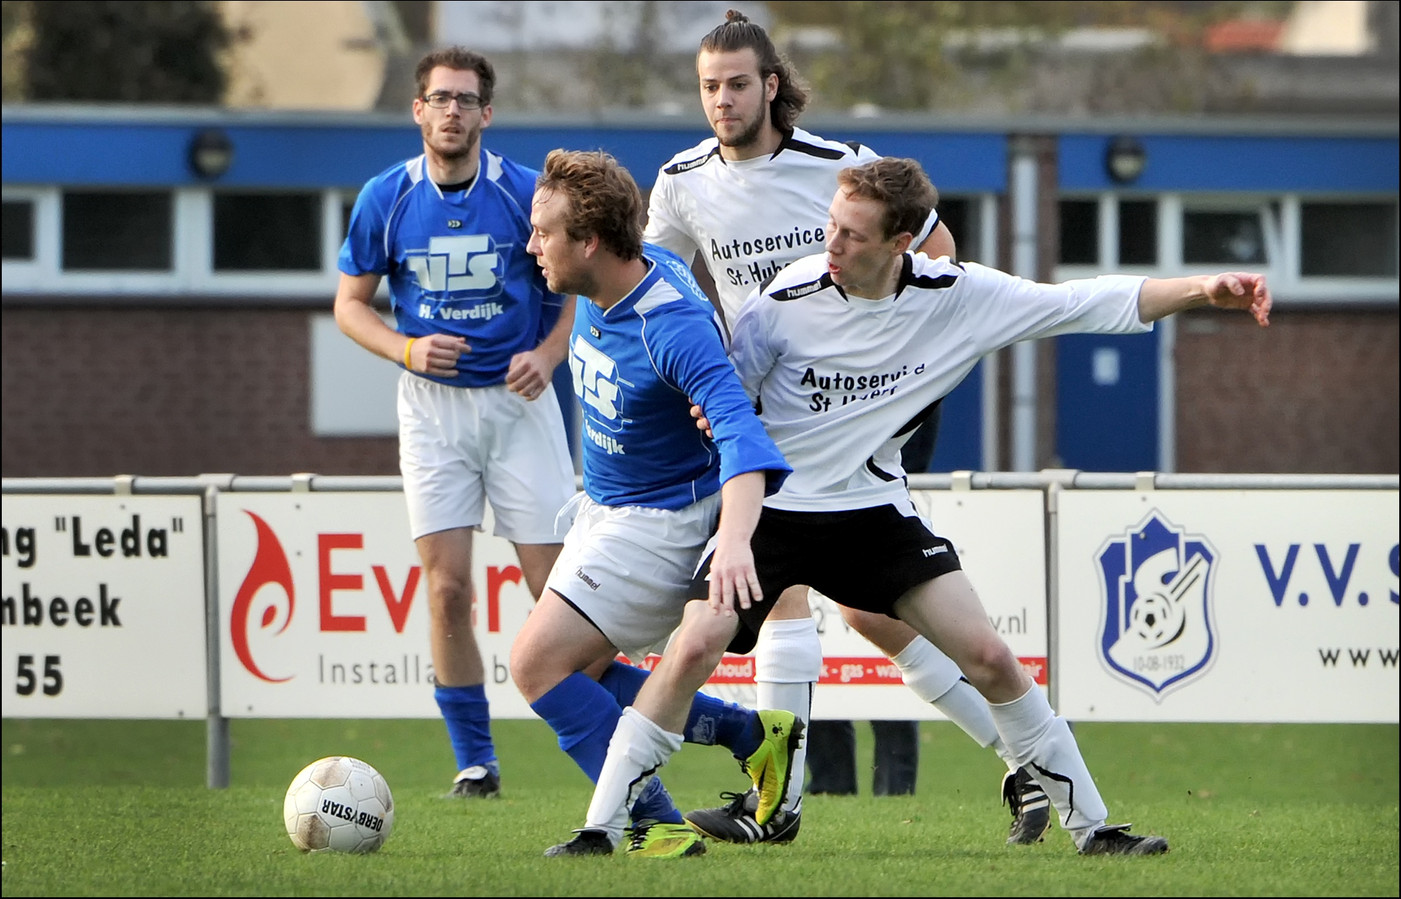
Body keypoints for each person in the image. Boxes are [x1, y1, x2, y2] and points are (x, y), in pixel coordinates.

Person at [556, 155, 1272, 858]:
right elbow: (725, 401)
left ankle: (1094, 827)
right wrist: (711, 420)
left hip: (871, 512)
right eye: (829, 226)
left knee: (991, 655)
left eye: (850, 235)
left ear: (901, 243)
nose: (828, 244)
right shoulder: (783, 301)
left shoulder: (957, 295)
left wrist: (1206, 290)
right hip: (777, 509)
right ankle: (603, 827)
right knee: (690, 648)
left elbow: (1082, 302)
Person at [643, 8, 1048, 844]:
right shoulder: (681, 180)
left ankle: (776, 802)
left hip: (866, 398)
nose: (721, 100)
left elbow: (938, 254)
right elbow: (656, 282)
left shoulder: (840, 165)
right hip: (765, 397)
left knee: (783, 586)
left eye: (736, 84)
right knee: (869, 613)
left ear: (772, 85)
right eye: (708, 86)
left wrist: (898, 365)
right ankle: (1023, 768)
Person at [510, 148, 801, 859]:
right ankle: (748, 735)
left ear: (589, 242)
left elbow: (742, 437)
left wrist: (733, 541)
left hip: (660, 525)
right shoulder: (608, 279)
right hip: (604, 509)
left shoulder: (669, 325)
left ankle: (654, 822)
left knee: (537, 664)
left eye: (542, 232)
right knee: (578, 671)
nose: (529, 245)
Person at [334, 47, 578, 800]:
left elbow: (570, 289)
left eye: (465, 100)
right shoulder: (385, 196)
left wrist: (547, 353)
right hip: (431, 414)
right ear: (418, 110)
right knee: (445, 591)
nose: (451, 111)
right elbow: (348, 306)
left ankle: (609, 743)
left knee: (560, 592)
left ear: (485, 114)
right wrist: (405, 346)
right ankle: (476, 762)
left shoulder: (525, 193)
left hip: (520, 407)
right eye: (438, 98)